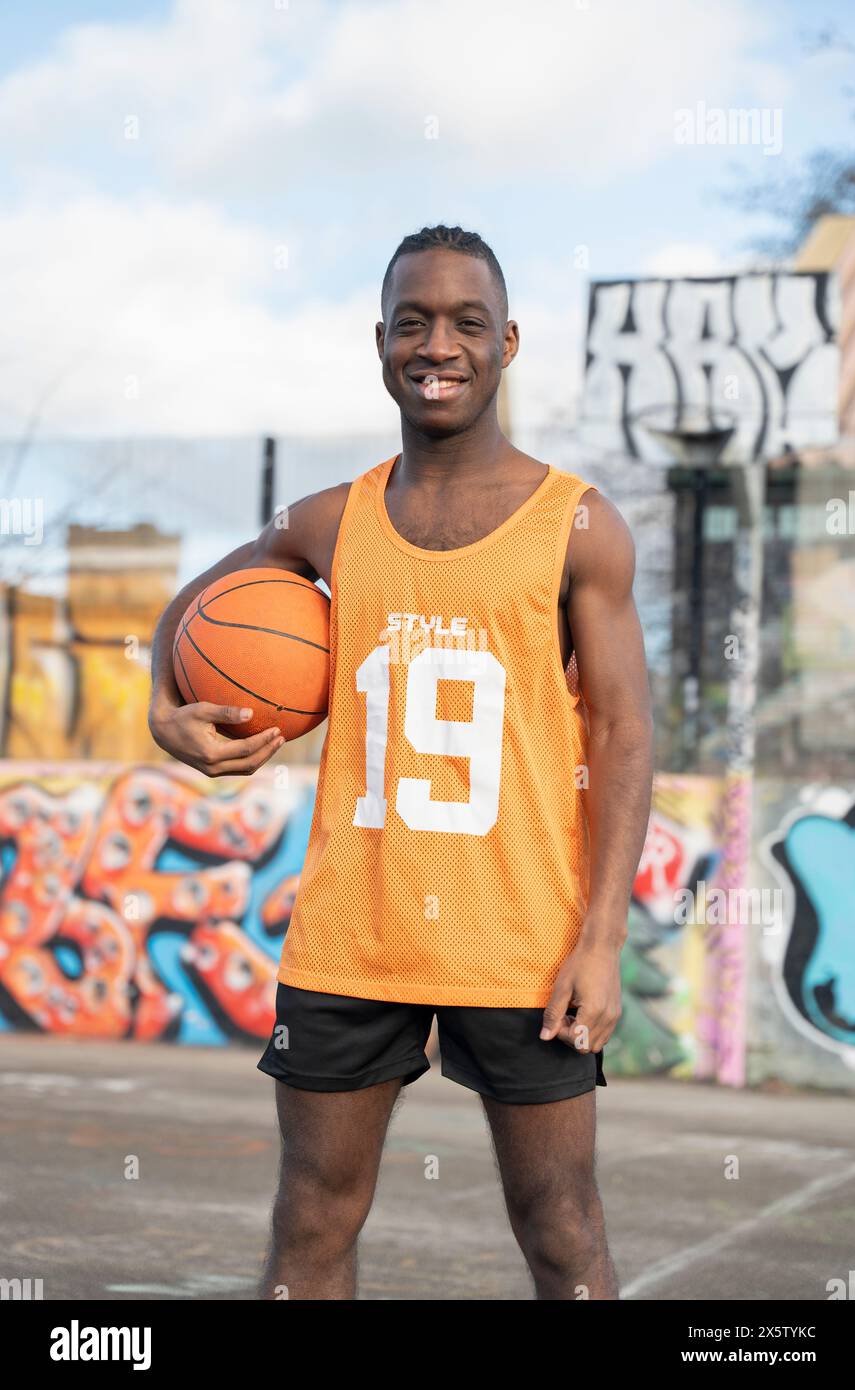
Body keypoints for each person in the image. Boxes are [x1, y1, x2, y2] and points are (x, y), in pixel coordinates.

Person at [149, 224, 654, 1300]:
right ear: (378, 340)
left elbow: (619, 733)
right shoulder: (327, 520)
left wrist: (600, 938)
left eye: (466, 322)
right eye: (413, 321)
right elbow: (187, 608)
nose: (439, 343)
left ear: (506, 341)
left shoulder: (580, 526)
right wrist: (163, 711)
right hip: (350, 933)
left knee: (561, 1232)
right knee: (311, 1226)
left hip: (520, 938)